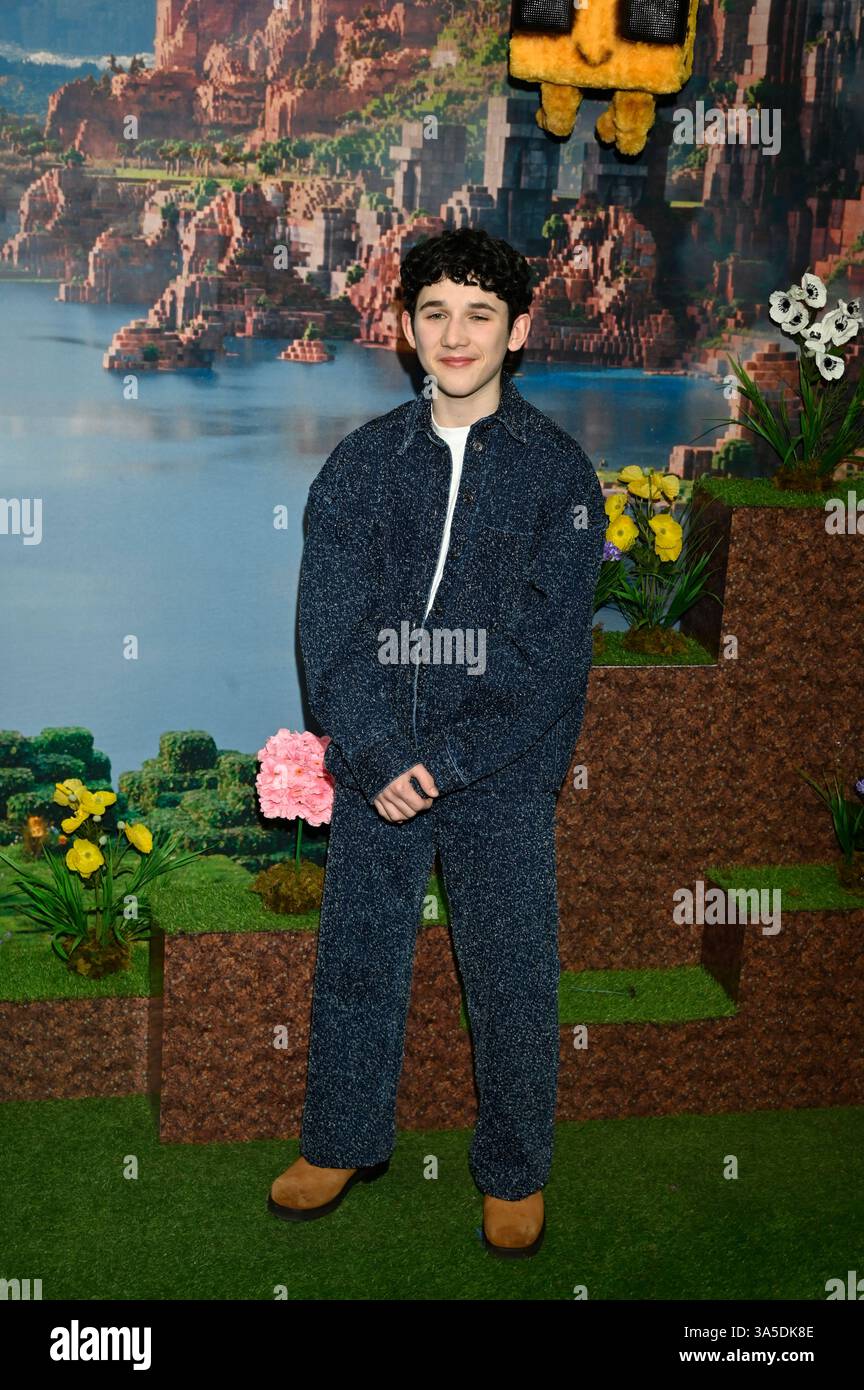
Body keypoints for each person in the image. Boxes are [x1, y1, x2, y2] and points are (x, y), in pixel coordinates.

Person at [268, 226, 606, 1258]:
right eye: (435, 313)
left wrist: (453, 759)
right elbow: (330, 623)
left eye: (480, 314)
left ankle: (514, 1169)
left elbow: (549, 654)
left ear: (517, 330)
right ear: (404, 328)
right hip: (377, 770)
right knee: (360, 955)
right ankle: (340, 1138)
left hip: (499, 774)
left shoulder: (560, 478)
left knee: (512, 973)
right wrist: (371, 753)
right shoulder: (364, 464)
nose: (455, 334)